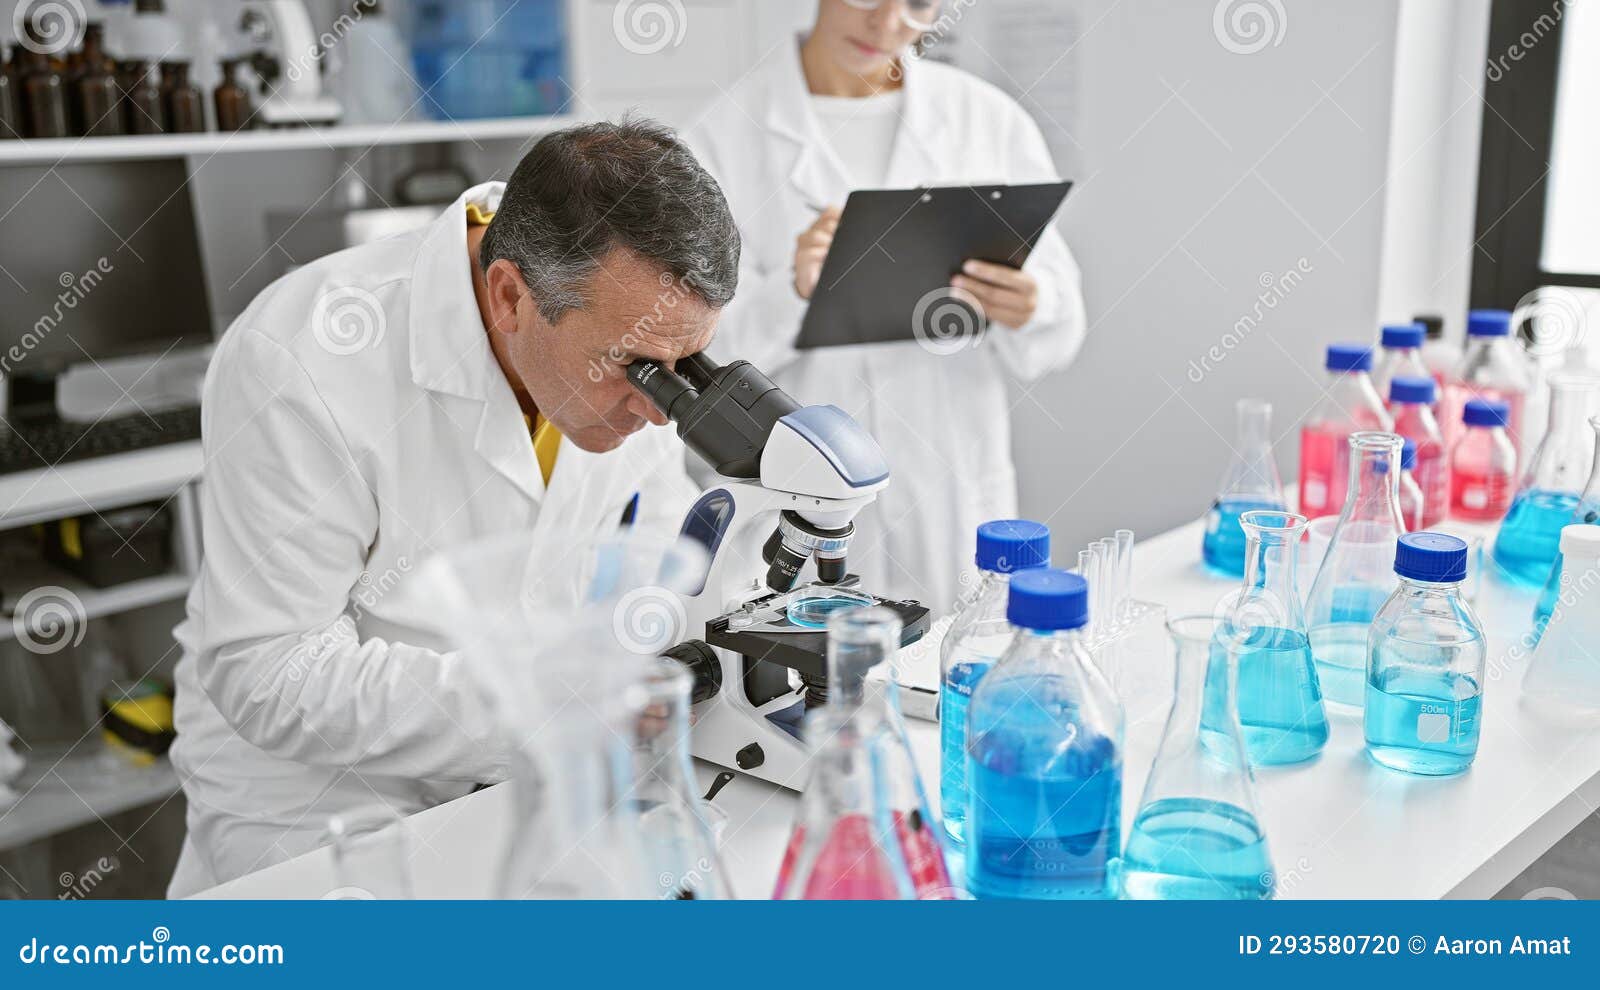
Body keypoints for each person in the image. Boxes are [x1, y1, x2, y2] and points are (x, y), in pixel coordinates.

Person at [166, 120, 740, 896]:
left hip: (530, 781)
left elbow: (662, 552)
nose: (662, 410)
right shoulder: (298, 359)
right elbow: (267, 671)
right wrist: (550, 703)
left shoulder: (612, 332)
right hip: (317, 810)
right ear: (510, 297)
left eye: (683, 368)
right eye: (634, 367)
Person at [687, 0, 1087, 615]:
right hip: (792, 503)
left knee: (947, 674)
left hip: (950, 493)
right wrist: (791, 292)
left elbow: (1060, 334)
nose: (888, 24)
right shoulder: (722, 136)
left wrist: (1032, 303)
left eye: (919, 4)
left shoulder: (986, 119)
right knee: (792, 686)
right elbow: (686, 359)